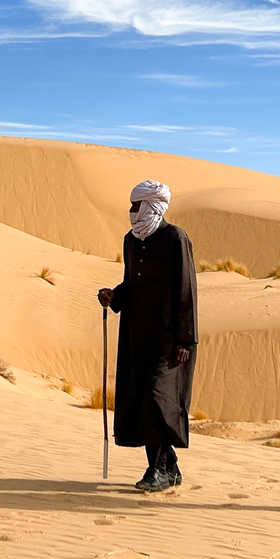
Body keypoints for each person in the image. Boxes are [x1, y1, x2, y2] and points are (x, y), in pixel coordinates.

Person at [96, 179, 197, 492]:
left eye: (135, 205)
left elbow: (186, 289)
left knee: (158, 400)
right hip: (136, 334)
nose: (130, 211)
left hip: (169, 339)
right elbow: (133, 283)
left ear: (152, 205)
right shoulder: (131, 240)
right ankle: (168, 467)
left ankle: (159, 469)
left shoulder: (174, 238)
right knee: (141, 400)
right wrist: (115, 296)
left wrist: (186, 340)